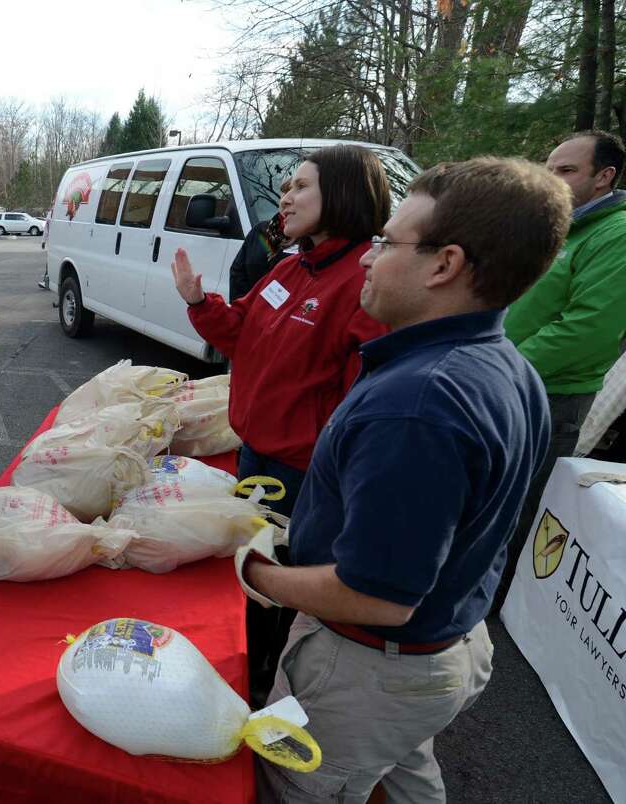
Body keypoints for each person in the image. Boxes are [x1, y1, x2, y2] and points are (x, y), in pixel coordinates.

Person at [236, 157, 569, 803]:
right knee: (405, 773)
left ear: (444, 264)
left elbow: (379, 597)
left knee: (292, 785)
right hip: (438, 656)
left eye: (387, 242)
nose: (366, 257)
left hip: (370, 668)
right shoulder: (502, 365)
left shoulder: (419, 405)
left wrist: (256, 574)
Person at [170, 144, 390, 703]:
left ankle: (267, 686)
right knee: (248, 569)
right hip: (255, 452)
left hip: (304, 472)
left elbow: (362, 399)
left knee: (280, 582)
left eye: (300, 186)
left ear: (341, 195)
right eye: (287, 187)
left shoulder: (365, 279)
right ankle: (244, 665)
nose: (286, 198)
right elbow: (240, 331)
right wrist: (200, 302)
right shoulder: (291, 265)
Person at [493, 130, 626, 613]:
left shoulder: (617, 233)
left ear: (604, 177)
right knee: (490, 495)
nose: (552, 178)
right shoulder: (558, 226)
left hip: (550, 395)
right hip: (510, 380)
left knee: (514, 507)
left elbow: (588, 328)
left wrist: (498, 365)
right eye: (549, 167)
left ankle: (481, 610)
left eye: (566, 170)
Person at [228, 182, 291, 301]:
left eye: (294, 192)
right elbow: (238, 272)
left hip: (283, 316)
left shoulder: (307, 239)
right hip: (251, 311)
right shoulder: (261, 231)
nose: (286, 200)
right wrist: (242, 308)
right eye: (284, 193)